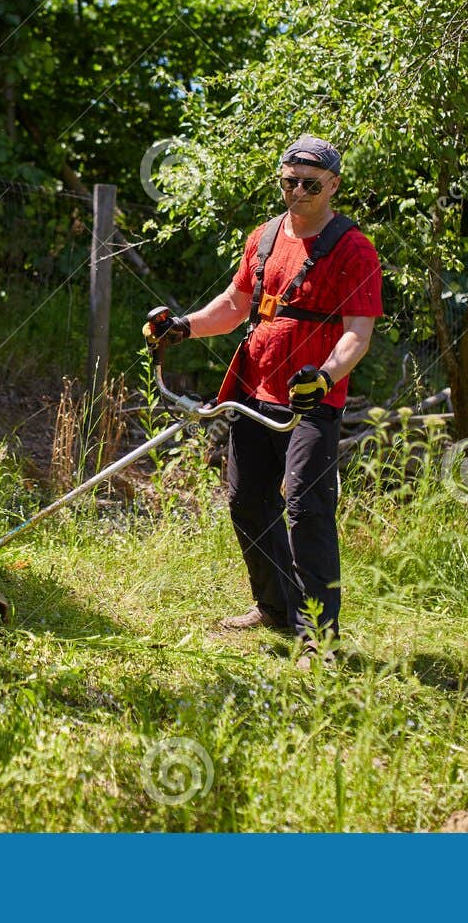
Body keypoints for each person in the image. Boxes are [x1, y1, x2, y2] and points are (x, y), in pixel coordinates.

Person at [144, 135, 382, 661]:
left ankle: (319, 634)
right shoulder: (266, 236)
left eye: (310, 184)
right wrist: (184, 327)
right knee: (247, 499)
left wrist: (324, 375)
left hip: (312, 399)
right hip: (255, 388)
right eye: (289, 181)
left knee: (305, 507)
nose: (298, 191)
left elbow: (358, 334)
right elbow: (235, 303)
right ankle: (273, 607)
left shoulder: (353, 249)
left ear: (333, 185)